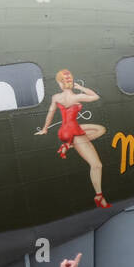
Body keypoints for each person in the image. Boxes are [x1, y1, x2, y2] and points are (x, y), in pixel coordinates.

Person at [36, 69, 110, 209]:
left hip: (65, 130)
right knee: (96, 165)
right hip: (74, 132)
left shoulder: (56, 97)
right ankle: (99, 196)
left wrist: (45, 129)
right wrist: (81, 88)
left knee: (100, 129)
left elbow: (51, 114)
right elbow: (95, 96)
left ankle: (68, 145)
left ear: (59, 83)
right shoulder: (77, 97)